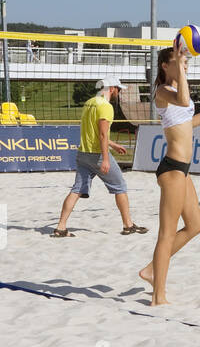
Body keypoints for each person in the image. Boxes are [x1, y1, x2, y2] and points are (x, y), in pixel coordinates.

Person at [139, 44, 200, 306]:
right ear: (165, 66)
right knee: (166, 234)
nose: (185, 65)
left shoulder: (177, 91)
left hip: (183, 170)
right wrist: (180, 65)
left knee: (195, 226)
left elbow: (187, 122)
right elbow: (182, 100)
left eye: (186, 63)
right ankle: (158, 296)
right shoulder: (162, 91)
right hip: (171, 169)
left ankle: (150, 270)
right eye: (180, 62)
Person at [52, 76, 141, 237]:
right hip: (96, 155)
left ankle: (61, 227)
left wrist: (113, 144)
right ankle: (128, 225)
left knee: (76, 190)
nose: (119, 93)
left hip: (82, 153)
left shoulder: (89, 103)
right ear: (112, 88)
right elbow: (101, 134)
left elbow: (96, 132)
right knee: (120, 187)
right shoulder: (105, 106)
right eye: (119, 89)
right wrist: (106, 159)